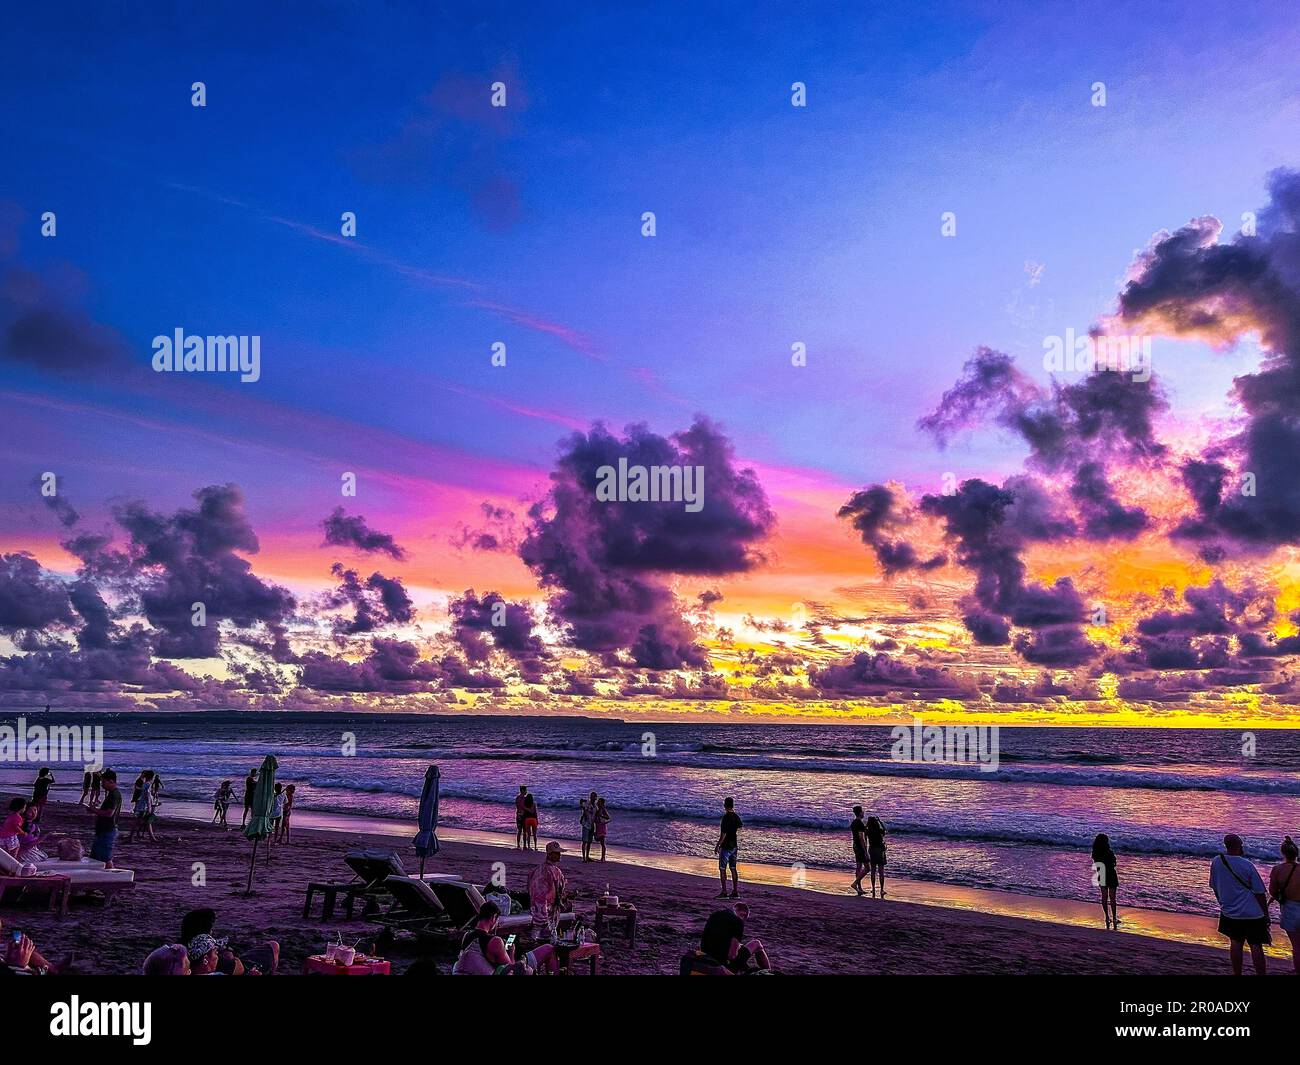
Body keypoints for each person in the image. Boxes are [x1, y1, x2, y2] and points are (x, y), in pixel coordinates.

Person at [1210, 833, 1270, 976]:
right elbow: (1259, 892)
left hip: (1229, 911)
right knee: (1256, 945)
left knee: (1236, 943)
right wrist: (1266, 914)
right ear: (1239, 845)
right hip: (1252, 913)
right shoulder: (1247, 865)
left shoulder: (1217, 861)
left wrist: (1222, 903)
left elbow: (1214, 886)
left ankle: (1237, 973)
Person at [452, 901, 558, 975]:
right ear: (494, 918)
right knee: (549, 949)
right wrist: (511, 951)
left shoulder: (466, 936)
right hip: (511, 967)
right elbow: (512, 970)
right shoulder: (495, 941)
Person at [700, 902, 771, 974]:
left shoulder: (715, 915)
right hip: (722, 965)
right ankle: (769, 972)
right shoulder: (738, 921)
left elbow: (718, 941)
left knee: (740, 948)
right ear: (743, 915)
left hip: (706, 959)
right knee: (756, 943)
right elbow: (732, 956)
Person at [1269, 835, 1300, 975]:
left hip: (1290, 908)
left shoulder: (1277, 870)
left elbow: (1272, 891)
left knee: (1297, 945)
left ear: (1283, 853)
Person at [527, 841, 569, 938]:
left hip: (552, 908)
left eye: (559, 853)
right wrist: (542, 914)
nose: (559, 855)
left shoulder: (556, 871)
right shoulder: (543, 871)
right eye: (556, 853)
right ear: (550, 854)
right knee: (539, 934)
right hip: (543, 909)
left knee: (549, 933)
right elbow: (538, 894)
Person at [88, 768, 121, 867]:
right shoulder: (112, 794)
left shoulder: (114, 795)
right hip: (104, 829)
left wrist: (94, 810)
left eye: (103, 782)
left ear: (111, 781)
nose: (102, 784)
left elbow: (109, 813)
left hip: (107, 829)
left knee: (106, 858)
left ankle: (112, 878)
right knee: (96, 857)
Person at [714, 797, 742, 899]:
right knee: (733, 868)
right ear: (733, 805)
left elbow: (723, 834)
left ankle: (724, 892)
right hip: (734, 845)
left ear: (725, 805)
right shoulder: (735, 816)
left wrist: (718, 845)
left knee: (722, 869)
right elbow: (740, 825)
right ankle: (735, 891)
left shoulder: (725, 818)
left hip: (726, 846)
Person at [1091, 833, 1120, 929]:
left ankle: (1107, 917)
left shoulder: (1095, 853)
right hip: (1111, 874)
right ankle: (1114, 917)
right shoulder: (1109, 852)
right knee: (1112, 898)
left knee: (1104, 897)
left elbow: (1097, 865)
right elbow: (1114, 863)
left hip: (1102, 874)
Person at [130, 770, 157, 843]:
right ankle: (131, 838)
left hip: (141, 805)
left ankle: (152, 837)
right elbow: (147, 796)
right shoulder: (148, 785)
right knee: (139, 821)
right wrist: (149, 806)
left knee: (148, 821)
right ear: (152, 777)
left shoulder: (145, 784)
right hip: (144, 806)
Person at [865, 816, 887, 898]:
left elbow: (864, 830)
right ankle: (881, 889)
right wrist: (880, 822)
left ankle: (873, 888)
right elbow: (885, 830)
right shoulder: (879, 830)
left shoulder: (868, 831)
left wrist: (867, 824)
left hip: (872, 850)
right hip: (880, 851)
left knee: (873, 871)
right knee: (881, 872)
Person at [850, 806, 869, 896]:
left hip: (855, 845)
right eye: (862, 811)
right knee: (867, 868)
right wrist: (865, 851)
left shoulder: (854, 823)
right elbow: (861, 838)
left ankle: (859, 888)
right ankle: (855, 883)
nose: (863, 813)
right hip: (860, 847)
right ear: (860, 812)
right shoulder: (860, 823)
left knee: (858, 867)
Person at [593, 797, 610, 862]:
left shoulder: (603, 809)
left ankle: (603, 858)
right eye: (598, 801)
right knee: (598, 839)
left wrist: (601, 816)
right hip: (598, 826)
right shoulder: (597, 809)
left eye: (599, 802)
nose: (597, 802)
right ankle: (602, 857)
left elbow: (608, 817)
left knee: (602, 843)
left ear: (602, 803)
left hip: (602, 827)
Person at [578, 798, 592, 862]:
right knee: (585, 841)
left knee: (589, 841)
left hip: (591, 824)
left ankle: (587, 856)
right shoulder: (588, 804)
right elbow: (582, 807)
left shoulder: (594, 806)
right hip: (586, 824)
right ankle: (584, 858)